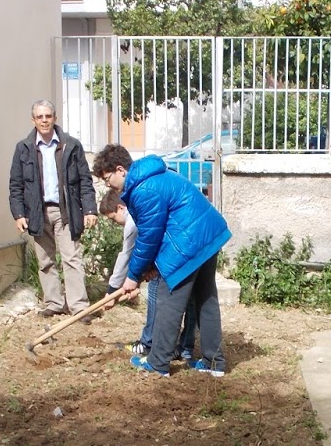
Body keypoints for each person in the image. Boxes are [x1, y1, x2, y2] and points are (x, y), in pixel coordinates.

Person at [92, 145, 231, 378]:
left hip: (188, 242)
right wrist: (147, 269)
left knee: (169, 302)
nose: (108, 186)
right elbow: (158, 231)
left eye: (107, 180)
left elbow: (149, 236)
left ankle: (158, 363)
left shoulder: (143, 189)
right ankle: (213, 362)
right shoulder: (155, 176)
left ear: (120, 170)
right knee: (206, 299)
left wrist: (133, 277)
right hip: (207, 235)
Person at [8, 99, 97, 317]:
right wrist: (19, 214)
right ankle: (54, 304)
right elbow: (15, 184)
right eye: (40, 117)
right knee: (45, 261)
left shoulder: (71, 145)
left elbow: (85, 180)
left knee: (72, 258)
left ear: (54, 118)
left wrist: (90, 209)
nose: (44, 120)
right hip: (37, 213)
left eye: (48, 116)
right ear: (33, 120)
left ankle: (79, 307)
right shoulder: (24, 148)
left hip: (66, 211)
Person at [100, 176, 198, 359]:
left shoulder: (133, 221)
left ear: (121, 207)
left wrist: (113, 289)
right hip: (192, 243)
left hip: (175, 252)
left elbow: (128, 254)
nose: (115, 224)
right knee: (192, 299)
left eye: (114, 219)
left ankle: (149, 343)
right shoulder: (166, 188)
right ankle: (185, 348)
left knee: (156, 293)